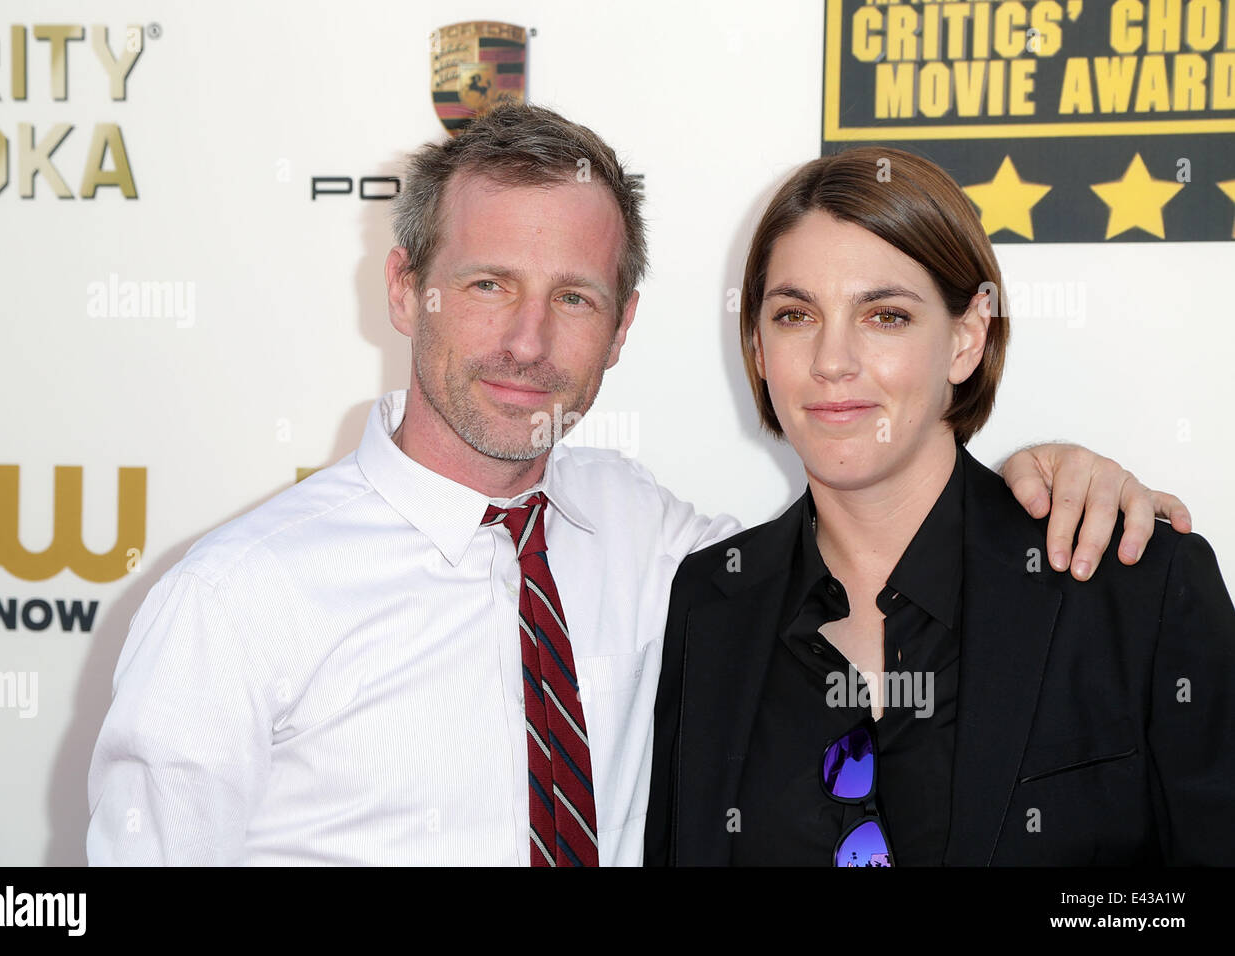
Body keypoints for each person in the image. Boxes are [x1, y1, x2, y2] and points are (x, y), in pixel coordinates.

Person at [86, 106, 1190, 866]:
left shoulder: (661, 550)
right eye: (485, 284)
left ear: (621, 328)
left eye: (573, 296)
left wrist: (1047, 478)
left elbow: (879, 528)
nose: (526, 339)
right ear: (403, 287)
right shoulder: (236, 599)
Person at [644, 146, 1235, 866]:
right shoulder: (711, 602)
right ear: (759, 348)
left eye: (885, 315)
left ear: (966, 338)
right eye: (795, 315)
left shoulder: (1134, 584)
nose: (833, 360)